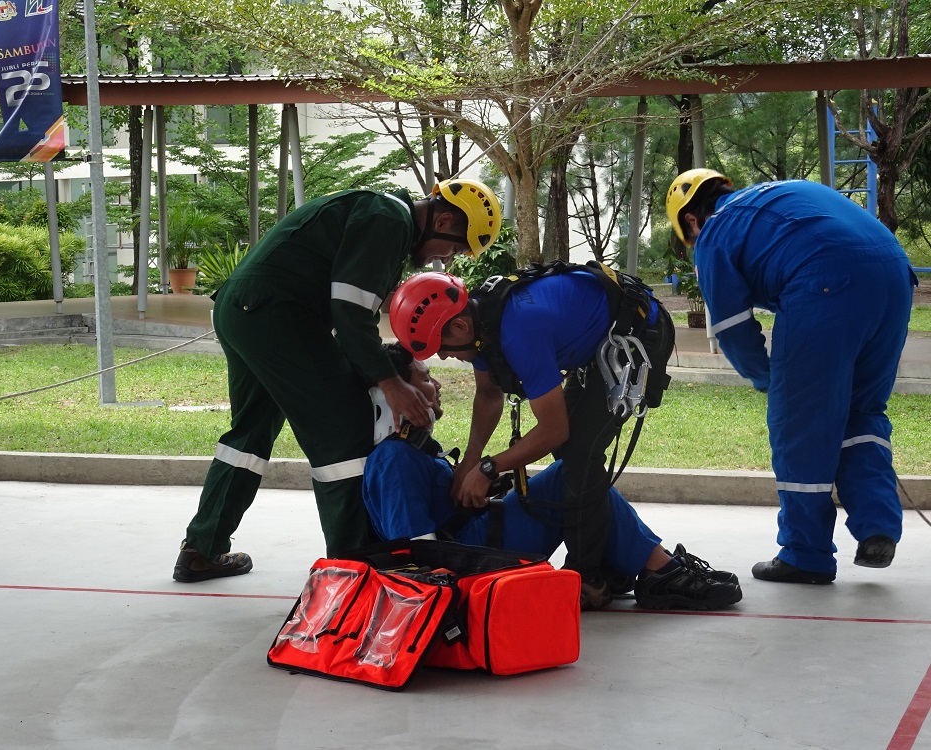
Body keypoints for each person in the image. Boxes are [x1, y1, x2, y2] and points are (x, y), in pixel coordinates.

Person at [173, 179, 503, 583]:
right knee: (344, 434)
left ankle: (202, 549)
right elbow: (350, 316)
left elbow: (351, 322)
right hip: (279, 316)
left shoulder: (378, 212)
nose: (446, 259)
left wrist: (399, 370)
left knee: (250, 433)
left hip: (242, 309)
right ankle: (354, 570)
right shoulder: (389, 220)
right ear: (445, 218)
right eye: (452, 246)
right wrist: (393, 385)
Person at [665, 169, 918, 584]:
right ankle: (877, 526)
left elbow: (731, 327)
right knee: (863, 411)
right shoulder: (784, 192)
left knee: (800, 424)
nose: (694, 246)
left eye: (687, 239)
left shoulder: (715, 231)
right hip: (895, 276)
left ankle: (806, 554)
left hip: (825, 282)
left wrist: (769, 380)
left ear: (691, 220)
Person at [363, 343, 743, 610]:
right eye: (426, 377)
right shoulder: (394, 458)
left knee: (574, 474)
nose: (438, 385)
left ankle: (632, 565)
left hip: (477, 539)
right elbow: (413, 556)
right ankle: (662, 572)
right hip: (472, 558)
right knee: (569, 475)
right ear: (400, 395)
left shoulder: (406, 454)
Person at [388, 264, 679, 609]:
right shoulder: (484, 322)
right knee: (573, 463)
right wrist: (469, 459)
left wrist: (488, 469)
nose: (443, 356)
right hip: (597, 335)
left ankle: (589, 576)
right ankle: (609, 561)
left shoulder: (518, 331)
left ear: (460, 326)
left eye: (442, 346)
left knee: (579, 456)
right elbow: (488, 394)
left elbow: (554, 431)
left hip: (638, 331)